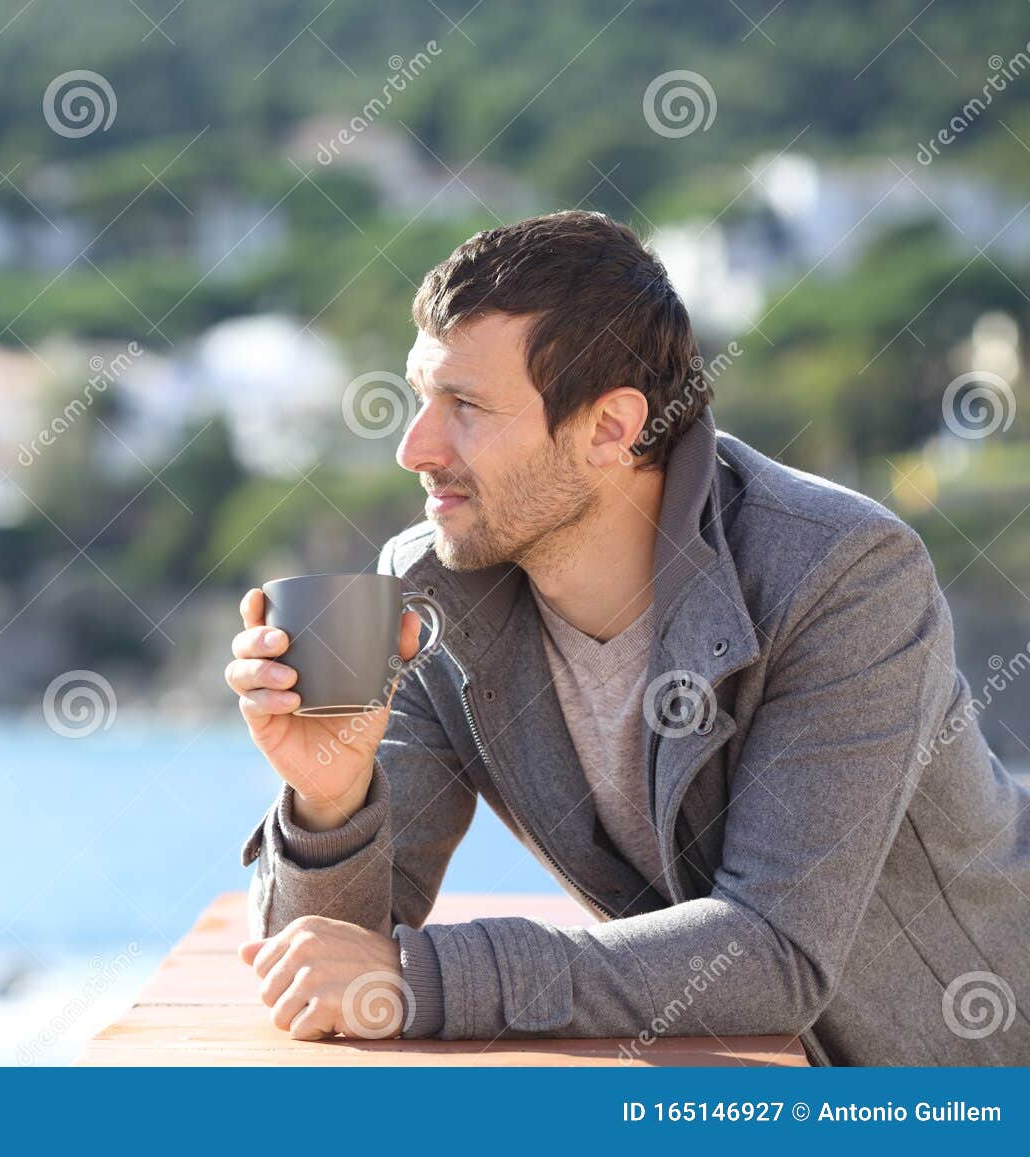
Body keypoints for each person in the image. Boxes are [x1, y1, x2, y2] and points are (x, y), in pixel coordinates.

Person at [224, 210, 1030, 1065]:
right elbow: (317, 965)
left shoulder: (842, 573)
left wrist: (428, 977)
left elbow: (774, 950)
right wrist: (330, 798)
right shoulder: (432, 591)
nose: (412, 448)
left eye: (465, 405)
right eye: (422, 396)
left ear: (610, 428)